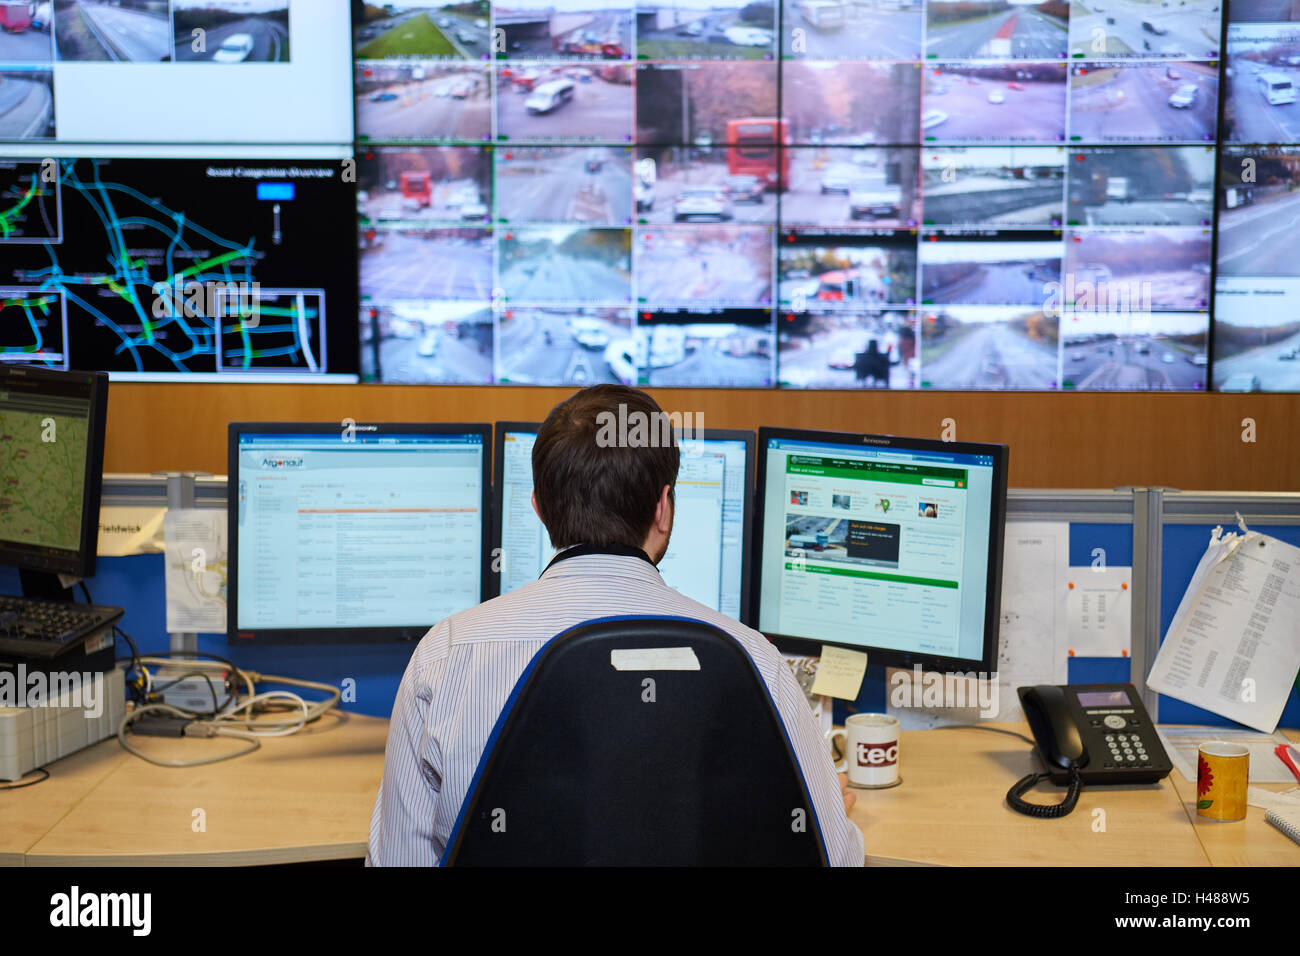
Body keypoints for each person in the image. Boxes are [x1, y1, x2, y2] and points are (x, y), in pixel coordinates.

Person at [367, 385, 864, 866]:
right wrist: (822, 822)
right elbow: (836, 859)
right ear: (663, 508)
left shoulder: (446, 656)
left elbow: (397, 860)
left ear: (538, 507)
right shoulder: (754, 661)